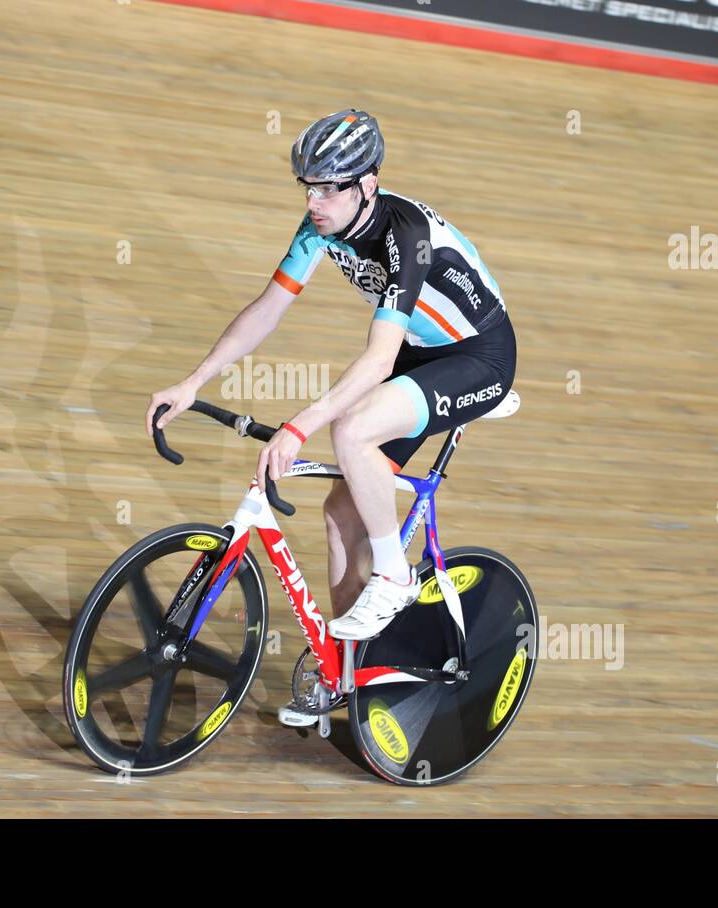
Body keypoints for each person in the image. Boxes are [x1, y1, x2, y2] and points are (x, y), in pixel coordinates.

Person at [146, 109, 516, 726]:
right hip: (422, 355)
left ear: (368, 183)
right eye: (308, 187)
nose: (315, 201)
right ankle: (342, 671)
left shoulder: (406, 236)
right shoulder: (324, 222)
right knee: (342, 512)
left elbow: (376, 360)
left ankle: (395, 579)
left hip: (478, 356)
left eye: (329, 188)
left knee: (351, 431)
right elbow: (267, 309)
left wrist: (299, 426)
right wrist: (193, 380)